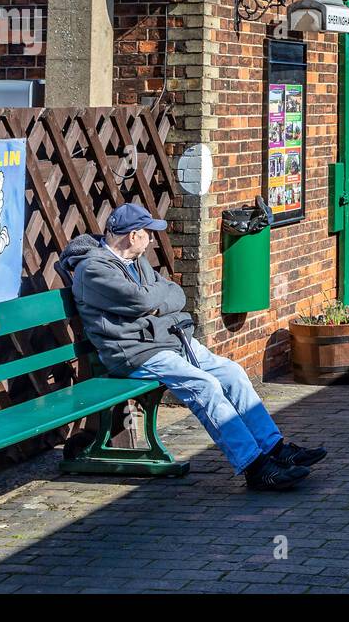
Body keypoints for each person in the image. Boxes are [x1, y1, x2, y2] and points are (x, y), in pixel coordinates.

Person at [60, 203, 326, 492]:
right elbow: (141, 302)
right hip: (134, 353)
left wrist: (154, 304)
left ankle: (274, 448)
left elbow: (176, 294)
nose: (151, 239)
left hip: (165, 341)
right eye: (148, 233)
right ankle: (255, 466)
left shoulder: (136, 262)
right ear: (133, 235)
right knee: (205, 385)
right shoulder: (93, 268)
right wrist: (153, 303)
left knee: (232, 372)